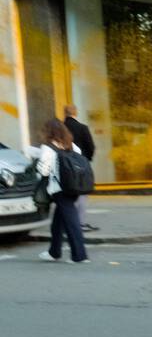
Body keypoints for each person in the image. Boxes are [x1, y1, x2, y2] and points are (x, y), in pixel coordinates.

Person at [25, 119, 88, 263]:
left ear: (48, 132)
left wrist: (38, 167)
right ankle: (54, 252)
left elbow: (44, 170)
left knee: (71, 223)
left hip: (59, 189)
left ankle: (79, 256)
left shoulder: (48, 147)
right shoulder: (71, 145)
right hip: (73, 187)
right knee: (58, 222)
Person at [62, 104, 98, 231]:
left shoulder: (60, 129)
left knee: (65, 195)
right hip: (80, 166)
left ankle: (68, 222)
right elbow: (91, 147)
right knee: (81, 194)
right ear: (75, 113)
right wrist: (87, 159)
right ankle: (80, 222)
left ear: (64, 113)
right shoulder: (82, 128)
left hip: (63, 166)